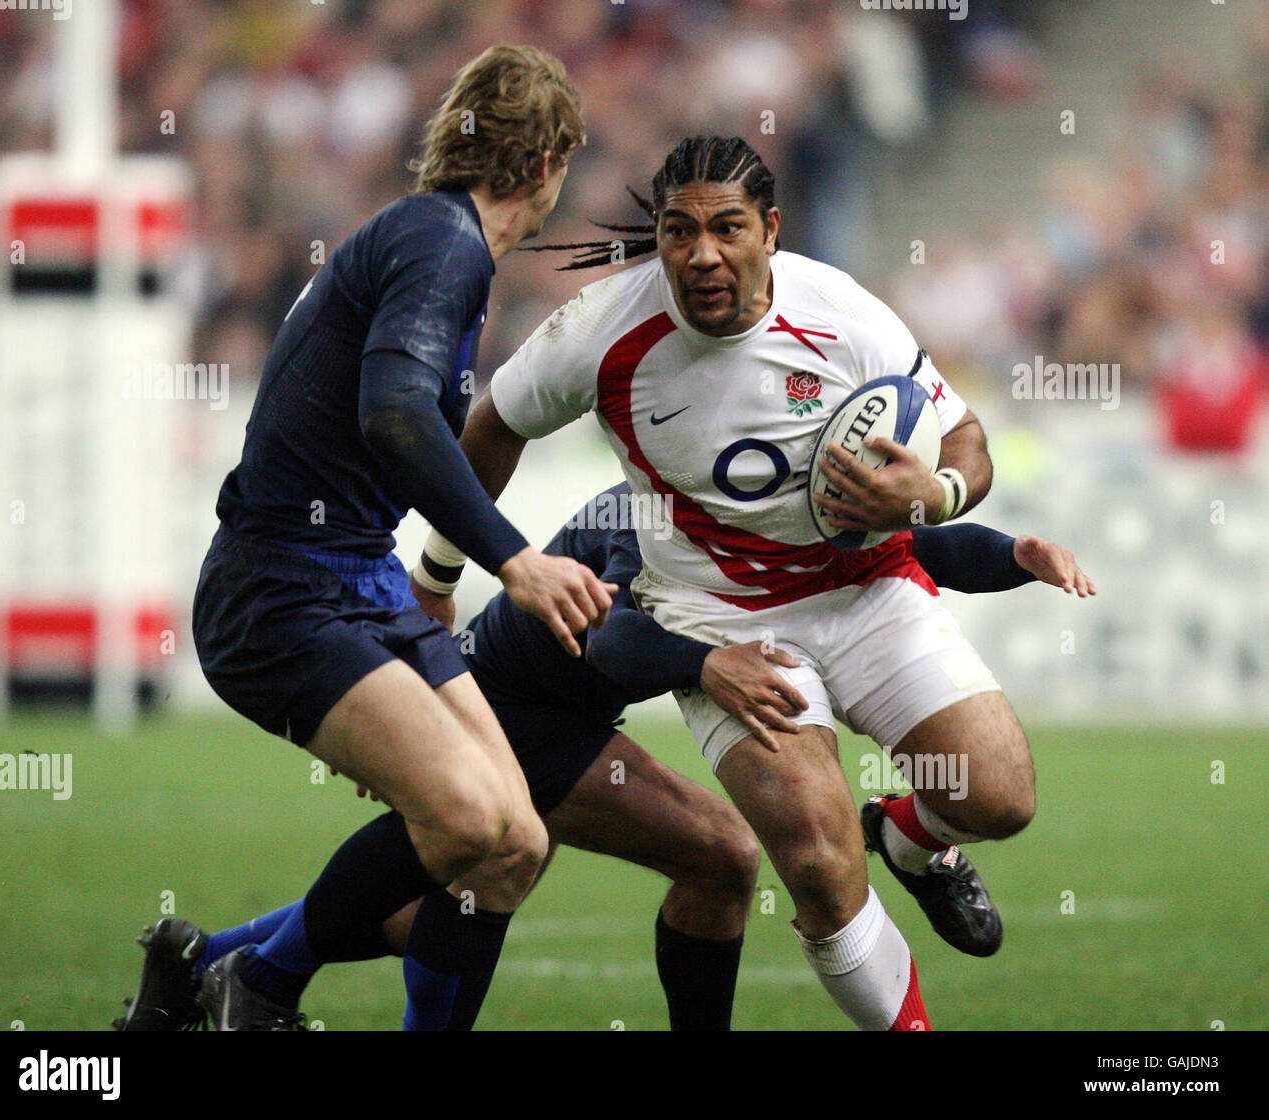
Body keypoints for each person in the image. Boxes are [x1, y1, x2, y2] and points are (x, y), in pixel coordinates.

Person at [414, 134, 1054, 1031]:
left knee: (998, 797)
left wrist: (936, 490)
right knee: (823, 869)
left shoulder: (839, 309)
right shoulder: (603, 328)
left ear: (771, 231)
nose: (702, 254)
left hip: (866, 587)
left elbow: (966, 439)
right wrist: (439, 575)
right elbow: (493, 426)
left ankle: (912, 840)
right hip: (722, 627)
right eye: (679, 231)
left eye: (727, 228)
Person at [114, 483, 1093, 1030]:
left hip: (564, 713)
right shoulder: (664, 511)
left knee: (445, 904)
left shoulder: (772, 483)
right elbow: (610, 642)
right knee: (698, 857)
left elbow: (911, 542)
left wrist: (1015, 555)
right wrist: (710, 659)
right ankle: (229, 966)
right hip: (514, 709)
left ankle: (207, 957)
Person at [115, 45, 615, 1032]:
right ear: (549, 159)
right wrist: (514, 559)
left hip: (358, 579)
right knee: (471, 818)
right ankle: (254, 990)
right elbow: (394, 413)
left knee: (513, 846)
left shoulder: (428, 237)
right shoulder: (444, 243)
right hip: (284, 586)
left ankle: (207, 971)